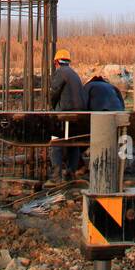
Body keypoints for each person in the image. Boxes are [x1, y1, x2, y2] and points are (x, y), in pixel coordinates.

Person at [49, 47, 85, 182]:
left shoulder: (60, 73)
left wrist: (52, 107)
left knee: (57, 143)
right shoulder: (74, 74)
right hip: (79, 114)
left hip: (65, 113)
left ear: (57, 62)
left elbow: (54, 92)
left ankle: (56, 177)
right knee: (73, 143)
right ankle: (71, 173)